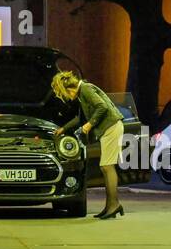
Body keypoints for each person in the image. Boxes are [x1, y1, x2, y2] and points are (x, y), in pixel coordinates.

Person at [51, 71, 125, 218]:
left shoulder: (85, 89)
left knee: (107, 166)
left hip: (111, 127)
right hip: (108, 129)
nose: (66, 98)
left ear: (68, 89)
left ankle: (114, 205)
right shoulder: (82, 93)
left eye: (63, 94)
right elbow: (80, 118)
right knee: (105, 167)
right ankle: (110, 205)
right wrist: (63, 129)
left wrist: (89, 125)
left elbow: (102, 107)